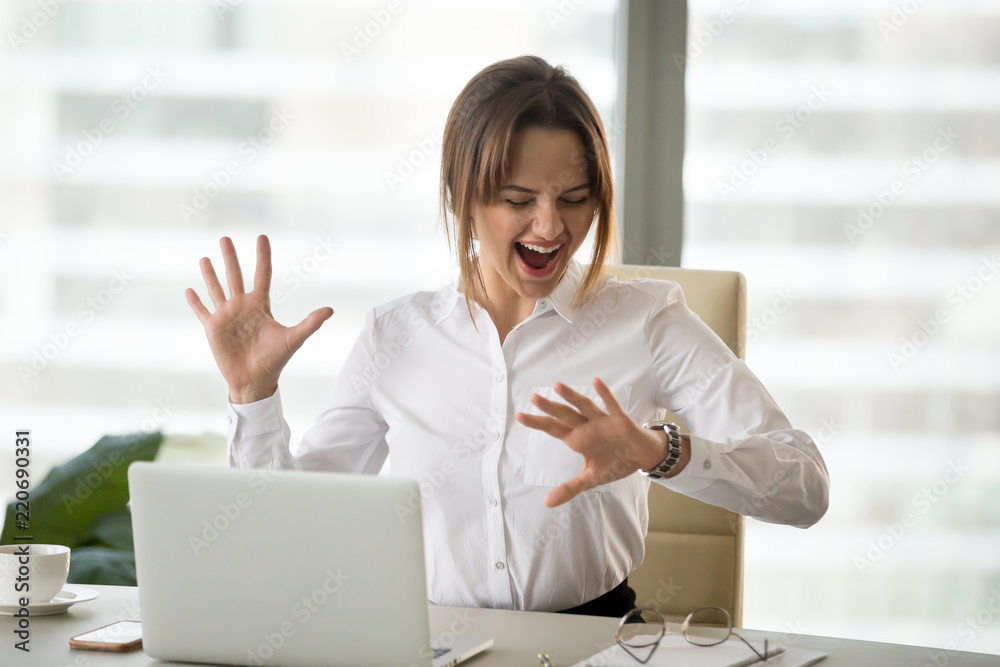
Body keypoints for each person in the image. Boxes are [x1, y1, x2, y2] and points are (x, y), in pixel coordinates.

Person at [185, 55, 829, 618]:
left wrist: (655, 451)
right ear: (463, 197)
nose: (549, 227)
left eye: (575, 198)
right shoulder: (395, 335)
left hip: (593, 642)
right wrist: (254, 393)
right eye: (518, 199)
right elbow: (287, 531)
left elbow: (806, 487)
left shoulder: (649, 321)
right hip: (428, 642)